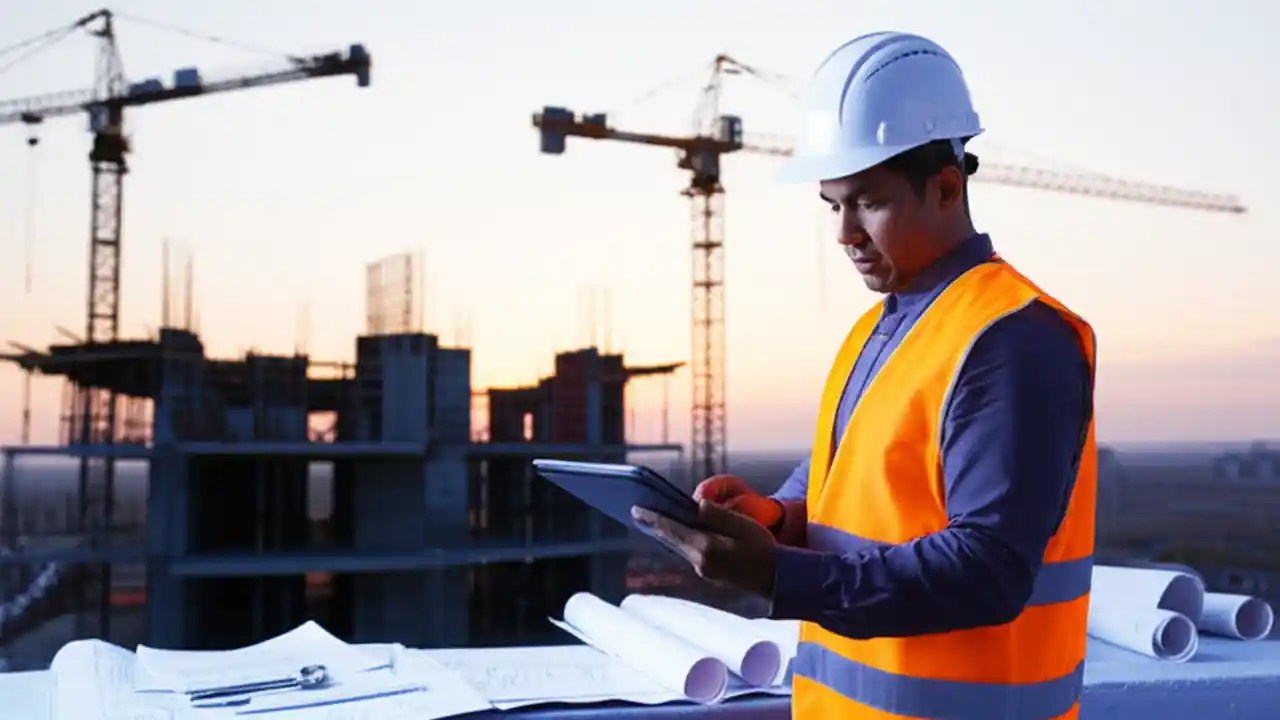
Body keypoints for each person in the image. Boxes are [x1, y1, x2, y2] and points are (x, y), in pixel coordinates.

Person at [631, 31, 1098, 719]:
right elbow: (862, 485)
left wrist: (775, 574)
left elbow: (987, 572)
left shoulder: (1015, 339)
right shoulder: (881, 327)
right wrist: (778, 517)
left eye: (868, 202)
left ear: (945, 187)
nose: (844, 232)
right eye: (832, 204)